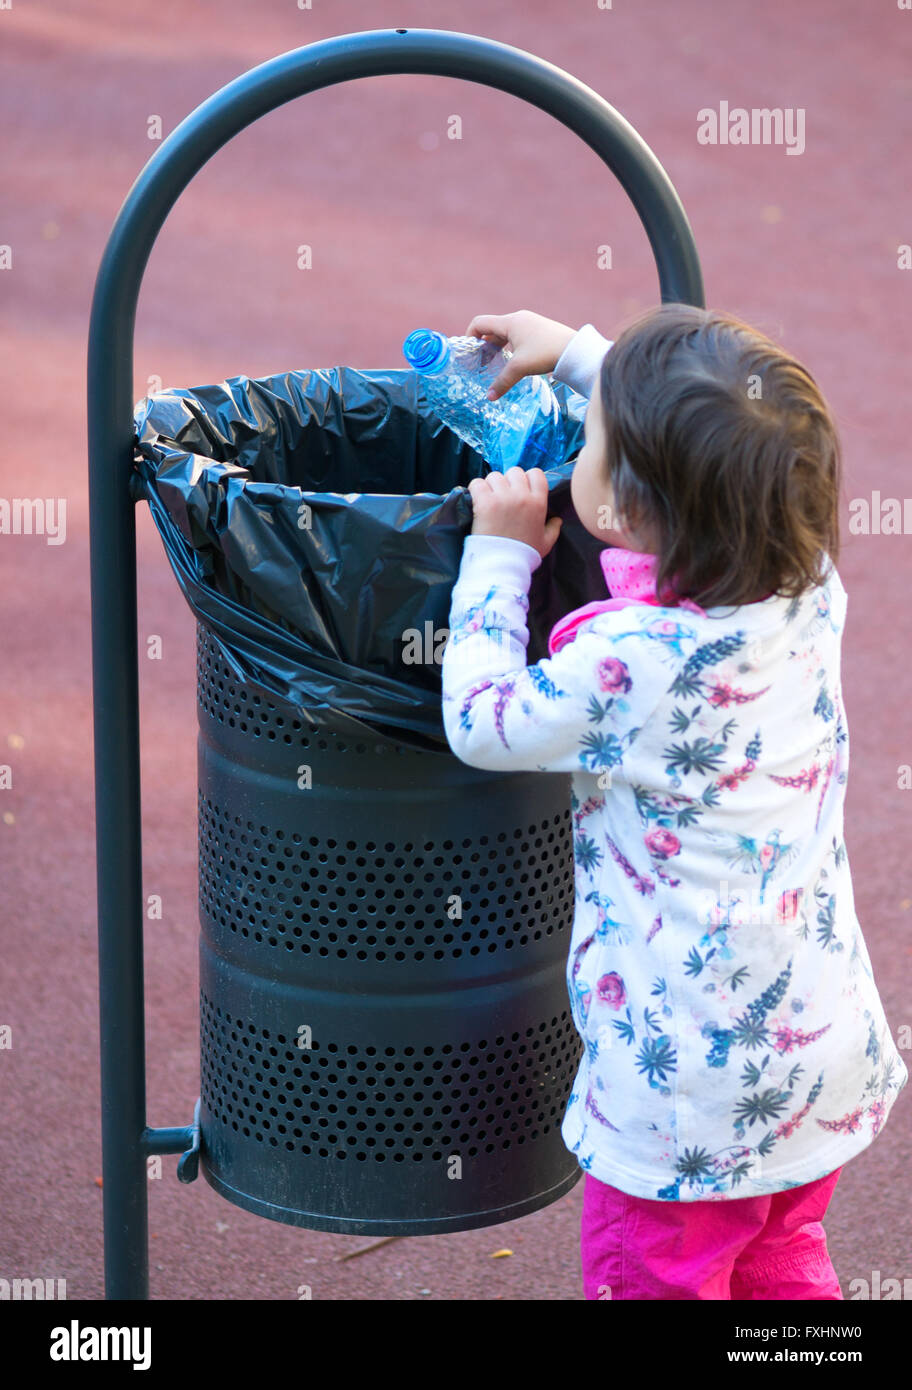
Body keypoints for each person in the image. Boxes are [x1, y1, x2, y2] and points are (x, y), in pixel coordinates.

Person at [439, 306, 908, 1301]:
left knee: (659, 1279)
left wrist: (499, 554)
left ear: (628, 508)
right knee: (781, 1256)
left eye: (598, 436)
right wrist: (573, 355)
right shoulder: (809, 590)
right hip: (812, 1064)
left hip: (682, 1108)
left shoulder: (628, 662)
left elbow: (482, 720)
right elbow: (721, 450)